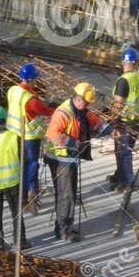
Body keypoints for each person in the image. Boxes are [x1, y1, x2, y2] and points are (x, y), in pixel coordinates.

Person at [43, 82, 109, 242]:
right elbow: (52, 134)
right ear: (79, 99)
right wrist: (72, 142)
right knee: (66, 195)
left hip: (68, 158)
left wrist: (108, 129)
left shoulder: (79, 111)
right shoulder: (64, 113)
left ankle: (63, 227)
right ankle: (64, 230)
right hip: (60, 160)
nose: (87, 106)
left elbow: (93, 119)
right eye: (86, 103)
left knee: (66, 194)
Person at [5, 62, 55, 206]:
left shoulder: (12, 91)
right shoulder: (31, 100)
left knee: (20, 165)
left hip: (14, 134)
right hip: (29, 138)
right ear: (33, 79)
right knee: (31, 166)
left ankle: (21, 195)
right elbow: (45, 111)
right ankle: (30, 195)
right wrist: (59, 110)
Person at [0, 105, 27, 250]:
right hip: (12, 181)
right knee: (16, 212)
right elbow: (24, 159)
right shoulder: (14, 137)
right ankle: (20, 241)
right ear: (4, 119)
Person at [108, 47, 139, 189]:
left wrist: (112, 120)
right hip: (137, 120)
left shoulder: (124, 80)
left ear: (122, 62)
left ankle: (128, 182)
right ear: (136, 63)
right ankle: (119, 175)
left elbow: (118, 103)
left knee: (123, 152)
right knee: (123, 150)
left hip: (125, 121)